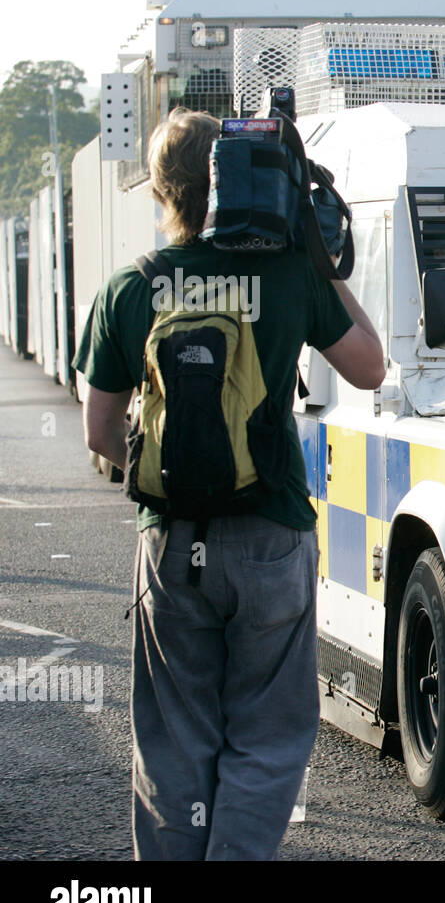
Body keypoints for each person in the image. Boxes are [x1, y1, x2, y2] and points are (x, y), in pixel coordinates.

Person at [75, 108, 385, 860]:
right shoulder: (288, 277)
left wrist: (170, 476)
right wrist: (317, 256)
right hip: (270, 533)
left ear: (161, 189)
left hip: (172, 544)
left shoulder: (132, 286)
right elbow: (370, 368)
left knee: (175, 738)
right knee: (267, 735)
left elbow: (99, 435)